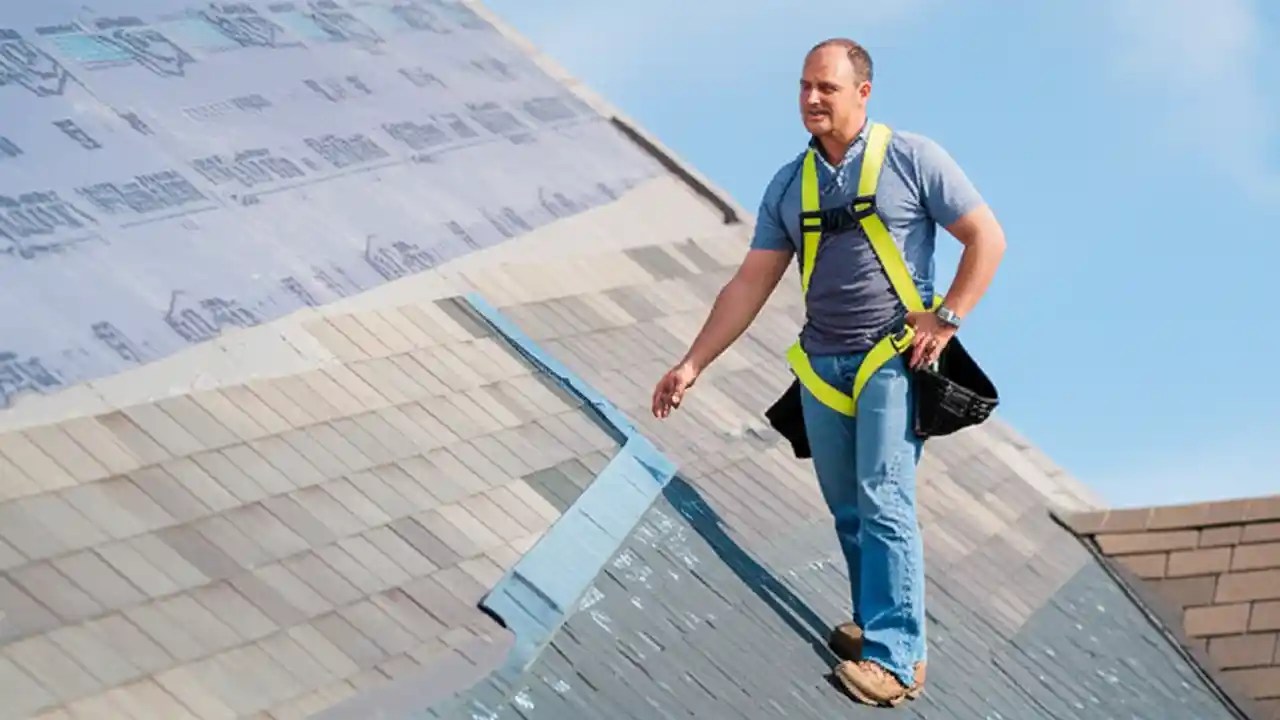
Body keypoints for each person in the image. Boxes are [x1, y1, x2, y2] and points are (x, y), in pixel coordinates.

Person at [650, 38, 1006, 707]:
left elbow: (988, 237)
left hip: (889, 357)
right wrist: (692, 363)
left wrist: (947, 317)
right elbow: (750, 283)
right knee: (848, 508)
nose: (812, 99)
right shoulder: (790, 184)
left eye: (828, 89)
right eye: (805, 87)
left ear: (863, 93)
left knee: (884, 498)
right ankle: (877, 620)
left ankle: (898, 657)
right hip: (820, 365)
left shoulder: (913, 159)